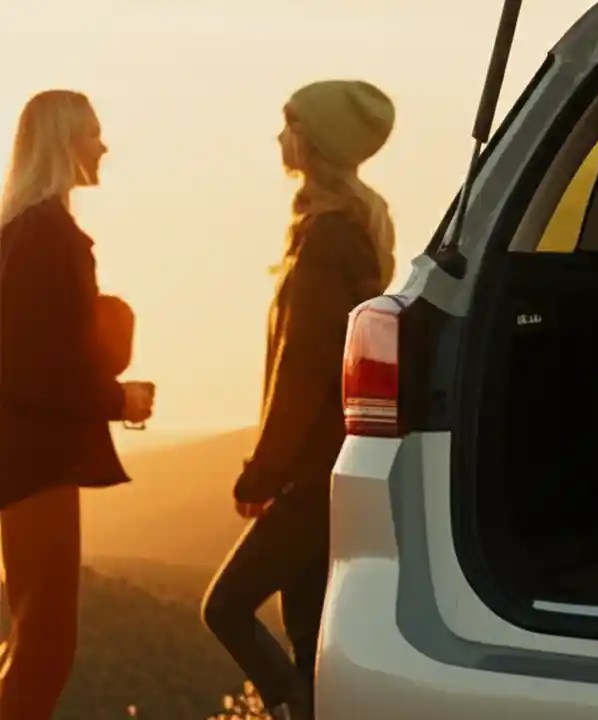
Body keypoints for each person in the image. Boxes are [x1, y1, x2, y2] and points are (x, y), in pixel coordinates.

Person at [202, 79, 395, 720]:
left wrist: (263, 470)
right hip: (332, 467)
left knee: (227, 606)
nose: (279, 137)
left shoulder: (326, 240)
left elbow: (302, 371)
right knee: (309, 633)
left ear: (312, 141)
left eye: (289, 125)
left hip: (311, 474)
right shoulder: (346, 231)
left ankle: (295, 707)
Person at [0, 89, 156, 720]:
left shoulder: (23, 232)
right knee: (45, 647)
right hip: (37, 461)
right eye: (93, 133)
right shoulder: (45, 236)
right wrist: (119, 397)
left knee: (33, 638)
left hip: (25, 459)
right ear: (65, 142)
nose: (103, 145)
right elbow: (32, 365)